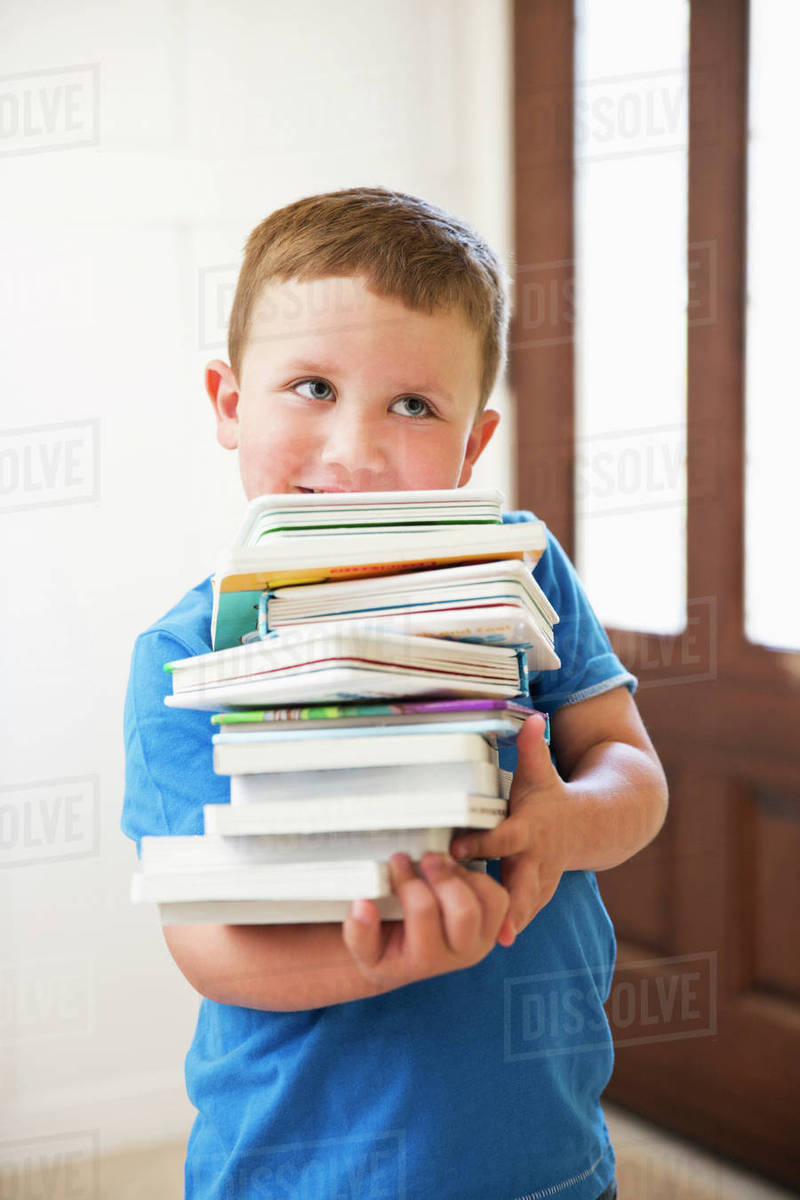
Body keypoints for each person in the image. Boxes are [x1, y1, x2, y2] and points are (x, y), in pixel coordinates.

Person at [122, 185, 668, 1200]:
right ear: (230, 406)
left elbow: (631, 770)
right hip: (297, 1171)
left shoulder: (525, 568)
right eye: (311, 387)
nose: (357, 449)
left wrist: (562, 826)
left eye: (412, 405)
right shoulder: (179, 656)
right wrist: (396, 954)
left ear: (470, 443)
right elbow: (210, 949)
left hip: (539, 1159)